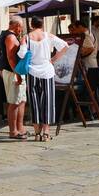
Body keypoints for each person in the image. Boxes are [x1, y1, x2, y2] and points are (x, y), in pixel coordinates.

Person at [16, 15, 69, 143]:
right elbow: (65, 46)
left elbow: (21, 54)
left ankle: (37, 133)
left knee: (34, 102)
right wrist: (53, 59)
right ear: (42, 24)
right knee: (48, 101)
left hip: (32, 72)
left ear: (31, 25)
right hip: (47, 71)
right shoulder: (48, 36)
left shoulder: (27, 37)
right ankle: (46, 133)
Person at [0, 16, 27, 139]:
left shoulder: (12, 36)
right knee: (14, 102)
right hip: (12, 73)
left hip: (16, 71)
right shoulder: (10, 37)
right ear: (17, 26)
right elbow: (11, 58)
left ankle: (20, 128)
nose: (22, 29)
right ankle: (13, 131)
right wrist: (18, 73)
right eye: (22, 27)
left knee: (21, 100)